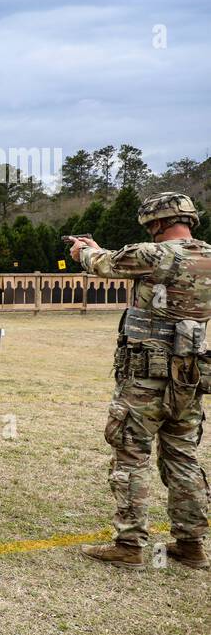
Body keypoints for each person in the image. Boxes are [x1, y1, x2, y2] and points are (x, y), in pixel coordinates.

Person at [70, 192, 211, 570]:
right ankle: (191, 544)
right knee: (183, 457)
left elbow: (102, 264)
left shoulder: (154, 254)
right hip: (189, 379)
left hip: (145, 378)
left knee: (131, 454)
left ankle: (129, 544)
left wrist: (84, 250)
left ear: (156, 224)